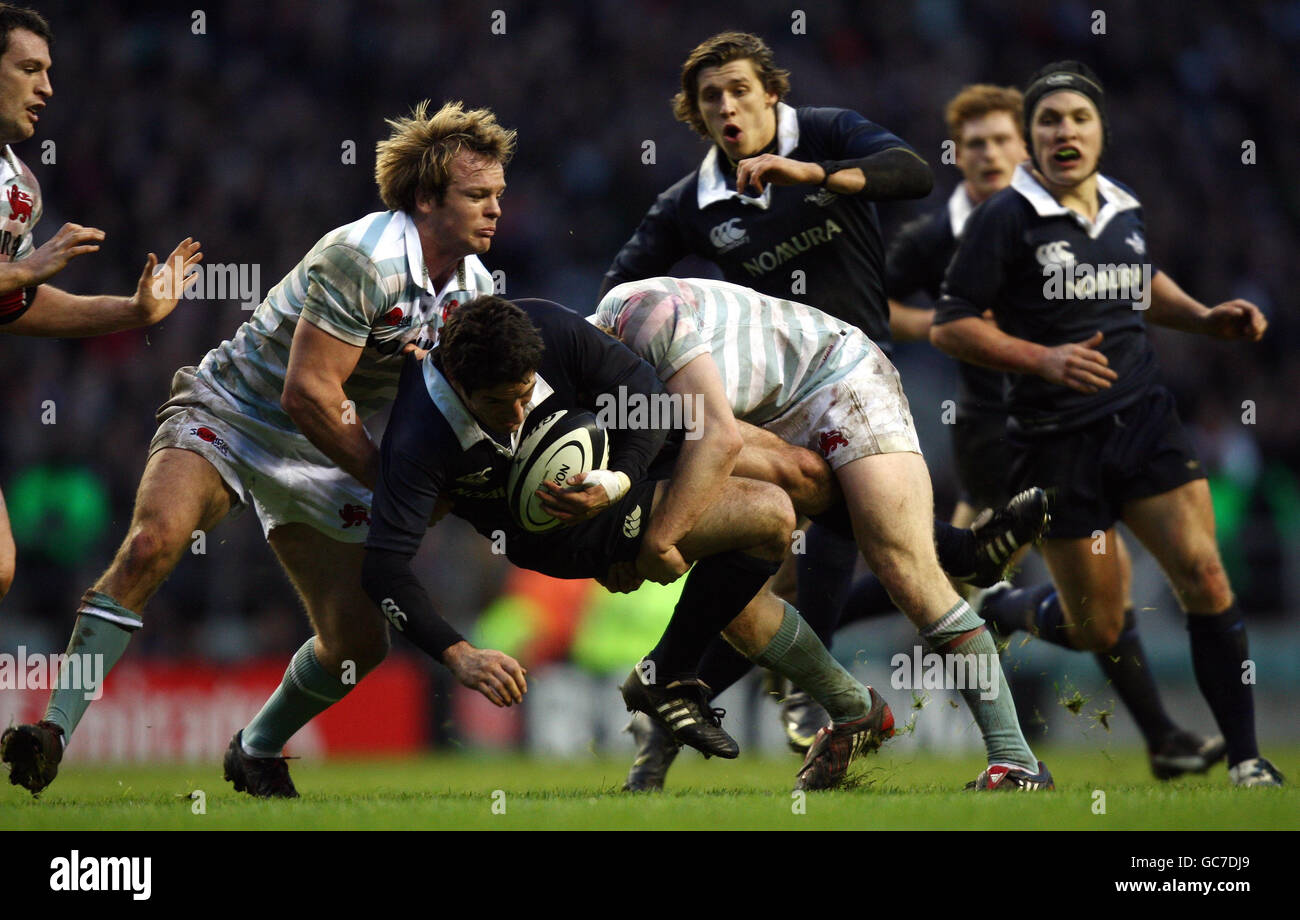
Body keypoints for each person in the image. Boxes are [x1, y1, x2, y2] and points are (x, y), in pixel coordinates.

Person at [1, 99, 519, 799]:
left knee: (359, 646)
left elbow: (455, 407)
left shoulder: (473, 290)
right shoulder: (362, 258)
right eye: (478, 195)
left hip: (324, 451)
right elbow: (305, 394)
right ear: (427, 197)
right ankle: (52, 731)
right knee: (152, 545)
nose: (495, 209)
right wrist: (393, 484)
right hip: (234, 413)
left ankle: (256, 748)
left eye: (498, 195)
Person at [599, 30, 1032, 764]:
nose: (727, 106)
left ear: (774, 92)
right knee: (763, 575)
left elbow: (913, 172)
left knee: (884, 563)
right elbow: (619, 290)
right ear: (697, 116)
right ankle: (718, 710)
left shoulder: (826, 133)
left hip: (852, 378)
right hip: (765, 406)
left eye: (740, 89)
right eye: (711, 98)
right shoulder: (691, 202)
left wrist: (815, 175)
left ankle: (972, 742)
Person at [361, 295, 898, 792]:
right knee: (768, 514)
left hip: (621, 464)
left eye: (527, 394)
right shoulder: (416, 440)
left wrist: (616, 481)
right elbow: (383, 569)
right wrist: (460, 654)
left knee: (787, 503)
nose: (519, 415)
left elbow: (652, 403)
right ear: (458, 382)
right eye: (501, 404)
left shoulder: (547, 330)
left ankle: (848, 705)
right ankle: (667, 674)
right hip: (553, 531)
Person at [930, 61, 1282, 787]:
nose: (1065, 131)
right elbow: (951, 325)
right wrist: (1044, 359)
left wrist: (1203, 317)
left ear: (1100, 133)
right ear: (1032, 139)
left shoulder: (1125, 205)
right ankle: (1008, 605)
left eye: (1078, 118)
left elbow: (1140, 282)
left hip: (1144, 421)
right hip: (1056, 442)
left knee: (1205, 575)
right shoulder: (1007, 217)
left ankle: (1247, 760)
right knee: (1098, 624)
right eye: (1050, 120)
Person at [595, 276, 1053, 792]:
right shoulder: (611, 403)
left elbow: (712, 440)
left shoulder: (640, 314)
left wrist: (652, 545)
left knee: (904, 567)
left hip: (835, 377)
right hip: (742, 419)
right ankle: (854, 707)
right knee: (737, 601)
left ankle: (1017, 762)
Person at [0, 3, 202, 604]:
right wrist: (27, 266)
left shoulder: (18, 190)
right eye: (29, 68)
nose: (47, 87)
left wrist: (131, 312)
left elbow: (15, 306)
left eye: (49, 70)